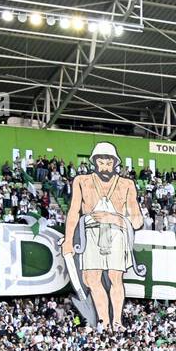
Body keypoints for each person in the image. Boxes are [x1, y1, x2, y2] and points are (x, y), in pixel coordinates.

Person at [63, 142, 144, 331]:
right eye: (101, 161)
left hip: (116, 232)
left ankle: (117, 321)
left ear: (115, 163)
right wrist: (68, 239)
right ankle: (104, 321)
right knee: (91, 278)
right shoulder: (82, 181)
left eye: (109, 162)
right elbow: (74, 211)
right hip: (90, 230)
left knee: (115, 277)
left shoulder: (126, 184)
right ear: (94, 162)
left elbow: (137, 220)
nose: (105, 166)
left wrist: (116, 218)